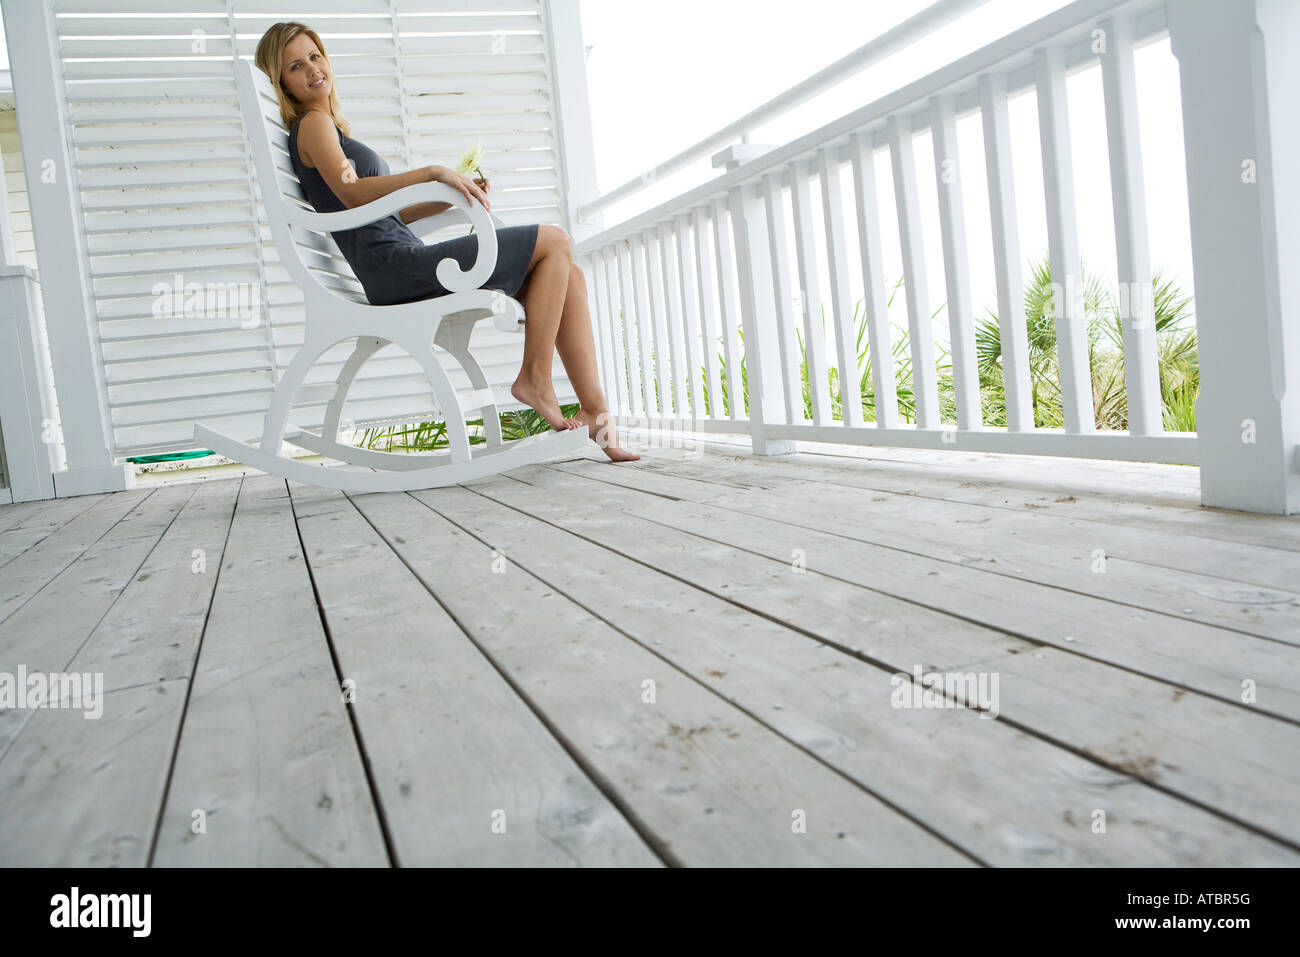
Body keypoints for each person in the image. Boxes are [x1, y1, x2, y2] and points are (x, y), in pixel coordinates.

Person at [253, 21, 638, 462]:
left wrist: (451, 196)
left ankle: (597, 415)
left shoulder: (327, 127)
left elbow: (382, 212)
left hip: (399, 260)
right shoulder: (313, 125)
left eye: (315, 57)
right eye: (295, 67)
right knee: (555, 240)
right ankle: (535, 378)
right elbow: (353, 194)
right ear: (282, 82)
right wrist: (434, 173)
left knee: (567, 272)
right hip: (394, 267)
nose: (312, 70)